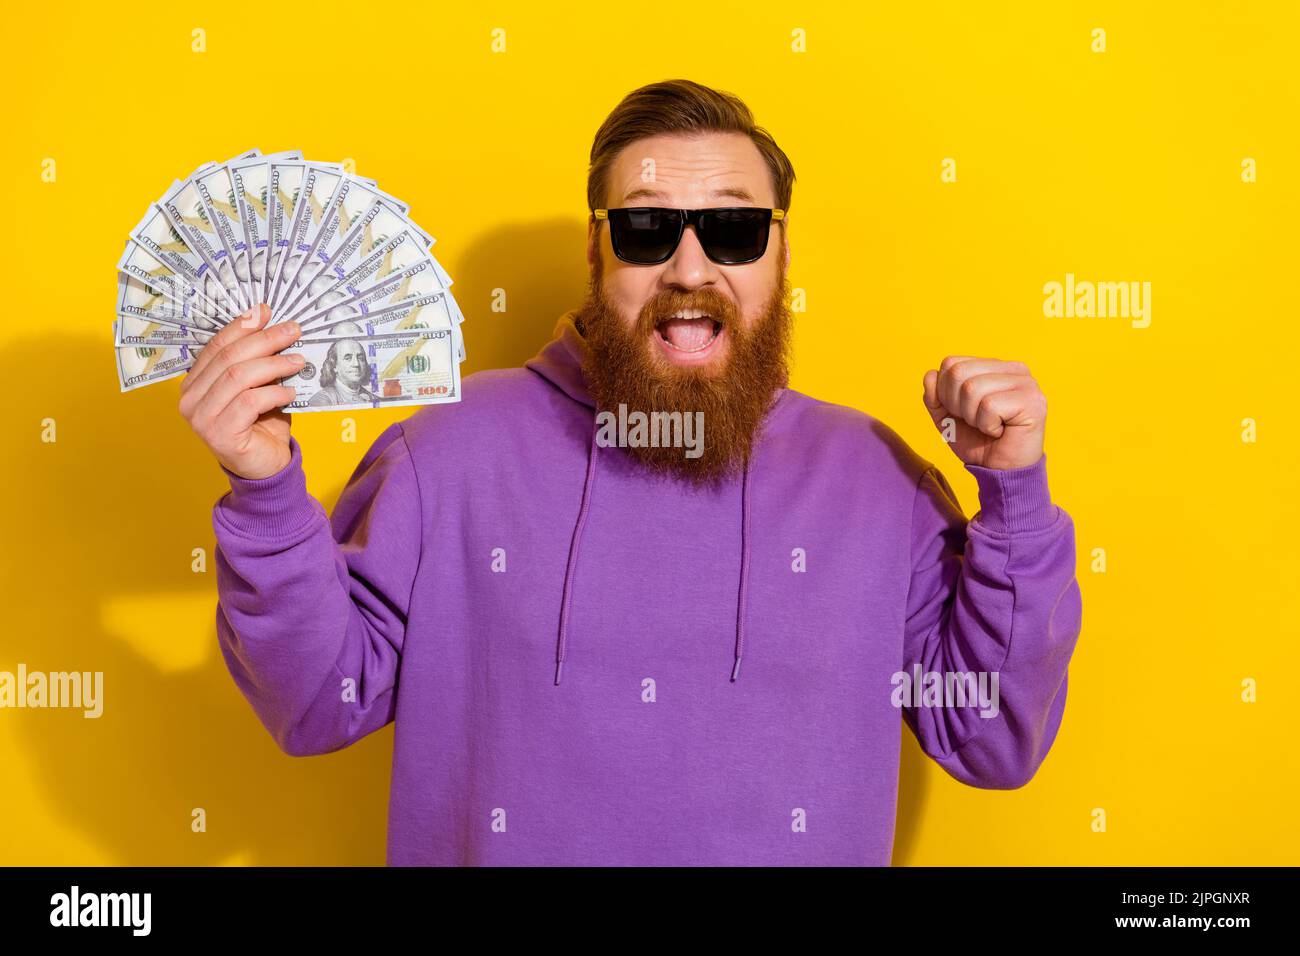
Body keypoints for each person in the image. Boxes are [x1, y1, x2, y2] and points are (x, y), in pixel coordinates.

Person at [178, 78, 1083, 865]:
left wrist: (1013, 498)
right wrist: (264, 490)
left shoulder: (878, 481)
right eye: (648, 228)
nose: (690, 267)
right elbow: (313, 704)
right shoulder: (445, 455)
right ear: (596, 250)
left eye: (732, 227)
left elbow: (991, 738)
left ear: (782, 255)